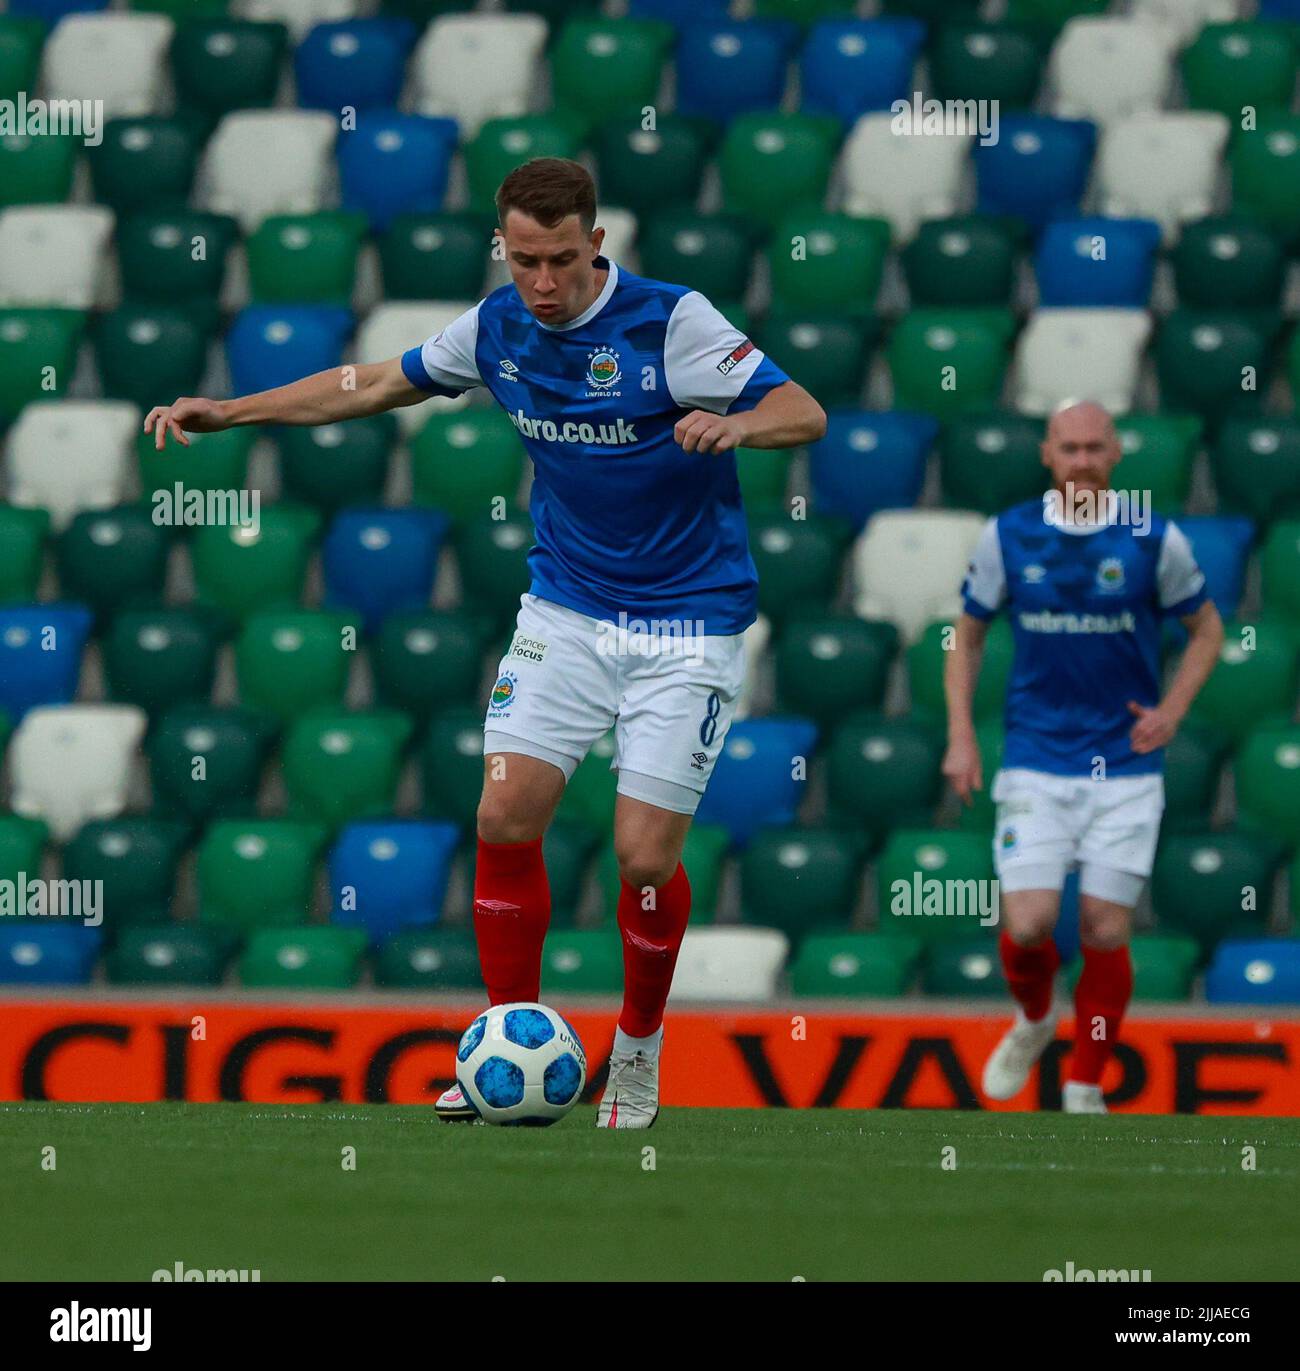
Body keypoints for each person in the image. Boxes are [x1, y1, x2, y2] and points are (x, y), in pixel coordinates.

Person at [145, 157, 827, 1128]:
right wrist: (233, 411)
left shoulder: (671, 322)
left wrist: (740, 426)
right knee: (503, 817)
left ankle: (637, 1049)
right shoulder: (496, 326)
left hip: (687, 623)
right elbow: (372, 381)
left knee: (639, 858)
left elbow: (805, 410)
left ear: (598, 245)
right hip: (566, 611)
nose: (542, 284)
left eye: (559, 259)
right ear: (501, 250)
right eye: (523, 261)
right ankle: (508, 1048)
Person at [941, 402, 1224, 1113]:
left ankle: (1084, 1083)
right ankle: (1036, 1021)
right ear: (1047, 454)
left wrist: (1173, 710)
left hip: (1124, 764)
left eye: (1096, 447)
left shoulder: (1154, 538)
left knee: (1103, 924)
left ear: (1117, 452)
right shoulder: (1007, 535)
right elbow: (967, 636)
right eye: (1070, 448)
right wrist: (961, 735)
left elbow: (1208, 629)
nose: (1083, 461)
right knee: (1030, 922)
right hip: (1036, 754)